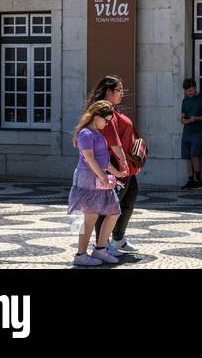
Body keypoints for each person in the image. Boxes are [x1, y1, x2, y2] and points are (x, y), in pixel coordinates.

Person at [88, 76, 140, 256]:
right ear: (108, 91)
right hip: (114, 163)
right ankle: (102, 243)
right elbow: (112, 138)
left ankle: (118, 238)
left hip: (125, 164)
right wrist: (122, 161)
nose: (122, 93)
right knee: (109, 204)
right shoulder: (104, 110)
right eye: (119, 89)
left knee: (128, 199)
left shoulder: (112, 109)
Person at [69, 100, 123, 266]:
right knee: (90, 218)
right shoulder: (86, 133)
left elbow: (103, 160)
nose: (107, 124)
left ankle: (100, 249)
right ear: (95, 116)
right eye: (105, 120)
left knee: (114, 211)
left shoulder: (97, 133)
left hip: (99, 176)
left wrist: (116, 173)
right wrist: (103, 177)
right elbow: (89, 158)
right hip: (88, 177)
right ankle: (81, 254)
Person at [179, 78, 202, 189]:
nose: (189, 93)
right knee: (186, 156)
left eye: (191, 90)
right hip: (187, 131)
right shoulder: (185, 101)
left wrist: (197, 118)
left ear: (195, 88)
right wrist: (183, 120)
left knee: (194, 154)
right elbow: (183, 116)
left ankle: (198, 180)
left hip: (199, 131)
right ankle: (190, 179)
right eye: (187, 91)